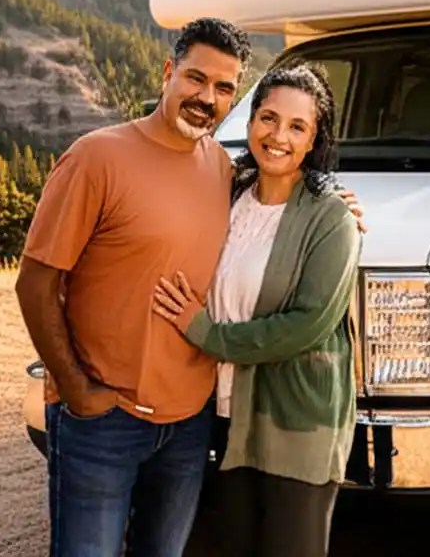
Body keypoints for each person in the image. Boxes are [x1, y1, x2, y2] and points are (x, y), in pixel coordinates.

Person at [15, 18, 360, 557]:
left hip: (193, 427)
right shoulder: (103, 157)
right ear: (168, 71)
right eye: (196, 79)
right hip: (107, 421)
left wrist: (338, 203)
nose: (207, 98)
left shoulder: (223, 170)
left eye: (224, 88)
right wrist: (72, 384)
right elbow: (35, 281)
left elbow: (300, 291)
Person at [151, 61, 361, 557]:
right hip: (219, 415)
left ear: (314, 140)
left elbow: (307, 325)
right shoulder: (226, 195)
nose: (278, 136)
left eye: (297, 126)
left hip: (296, 423)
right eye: (268, 118)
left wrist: (207, 335)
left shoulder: (332, 218)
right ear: (249, 123)